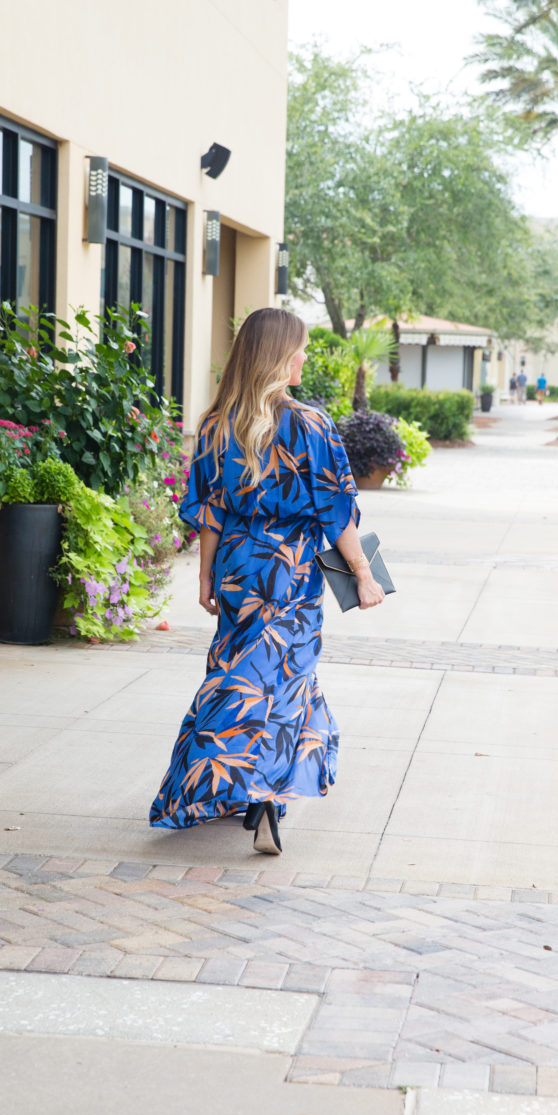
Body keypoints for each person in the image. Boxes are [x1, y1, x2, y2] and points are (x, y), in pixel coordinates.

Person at [149, 308, 385, 856]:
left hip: (238, 567)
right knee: (286, 678)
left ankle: (223, 781)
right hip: (291, 569)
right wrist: (365, 575)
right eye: (299, 347)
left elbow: (210, 510)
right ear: (278, 355)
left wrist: (206, 575)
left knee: (236, 671)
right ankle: (266, 799)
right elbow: (336, 511)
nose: (305, 356)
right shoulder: (311, 424)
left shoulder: (214, 424)